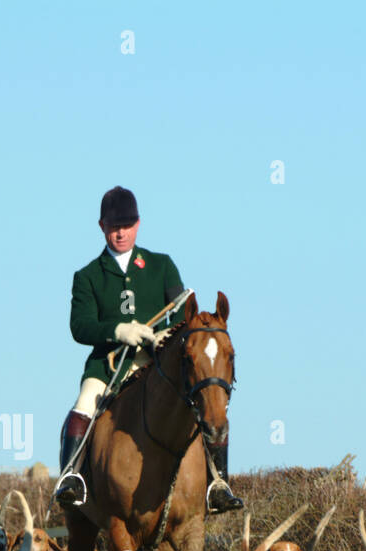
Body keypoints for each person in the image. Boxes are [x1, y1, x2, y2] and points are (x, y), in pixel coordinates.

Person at [53, 186, 243, 513]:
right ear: (102, 227)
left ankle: (218, 483)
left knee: (207, 404)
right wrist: (118, 330)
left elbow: (183, 314)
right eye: (114, 227)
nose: (121, 233)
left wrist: (162, 335)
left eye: (126, 226)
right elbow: (79, 327)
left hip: (157, 363)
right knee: (84, 403)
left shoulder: (161, 265)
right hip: (109, 367)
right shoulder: (87, 276)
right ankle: (71, 479)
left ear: (138, 225)